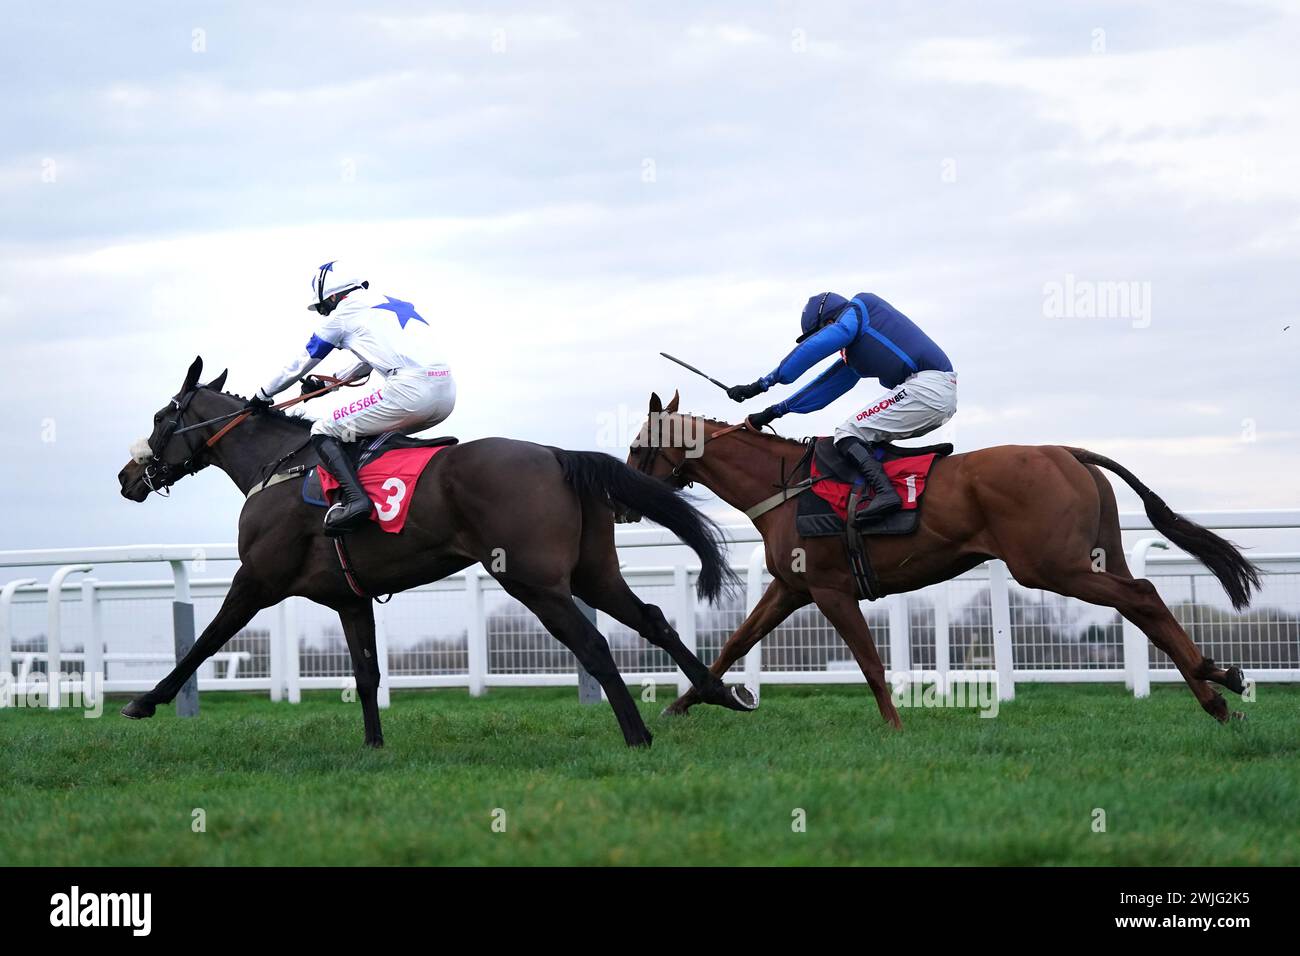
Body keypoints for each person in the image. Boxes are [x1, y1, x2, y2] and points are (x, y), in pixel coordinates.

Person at [245, 261, 455, 535]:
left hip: (411, 393)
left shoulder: (342, 315)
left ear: (333, 296)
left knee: (323, 429)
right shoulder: (385, 303)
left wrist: (262, 395)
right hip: (445, 394)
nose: (324, 315)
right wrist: (327, 383)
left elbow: (301, 363)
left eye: (322, 308)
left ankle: (357, 501)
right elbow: (368, 361)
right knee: (362, 435)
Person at [728, 291, 956, 522]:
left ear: (829, 322)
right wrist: (773, 412)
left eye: (819, 333)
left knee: (847, 433)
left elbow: (820, 345)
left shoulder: (860, 307)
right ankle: (883, 495)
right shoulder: (856, 349)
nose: (822, 340)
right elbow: (826, 388)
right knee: (859, 438)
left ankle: (886, 494)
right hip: (930, 393)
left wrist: (760, 384)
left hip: (928, 388)